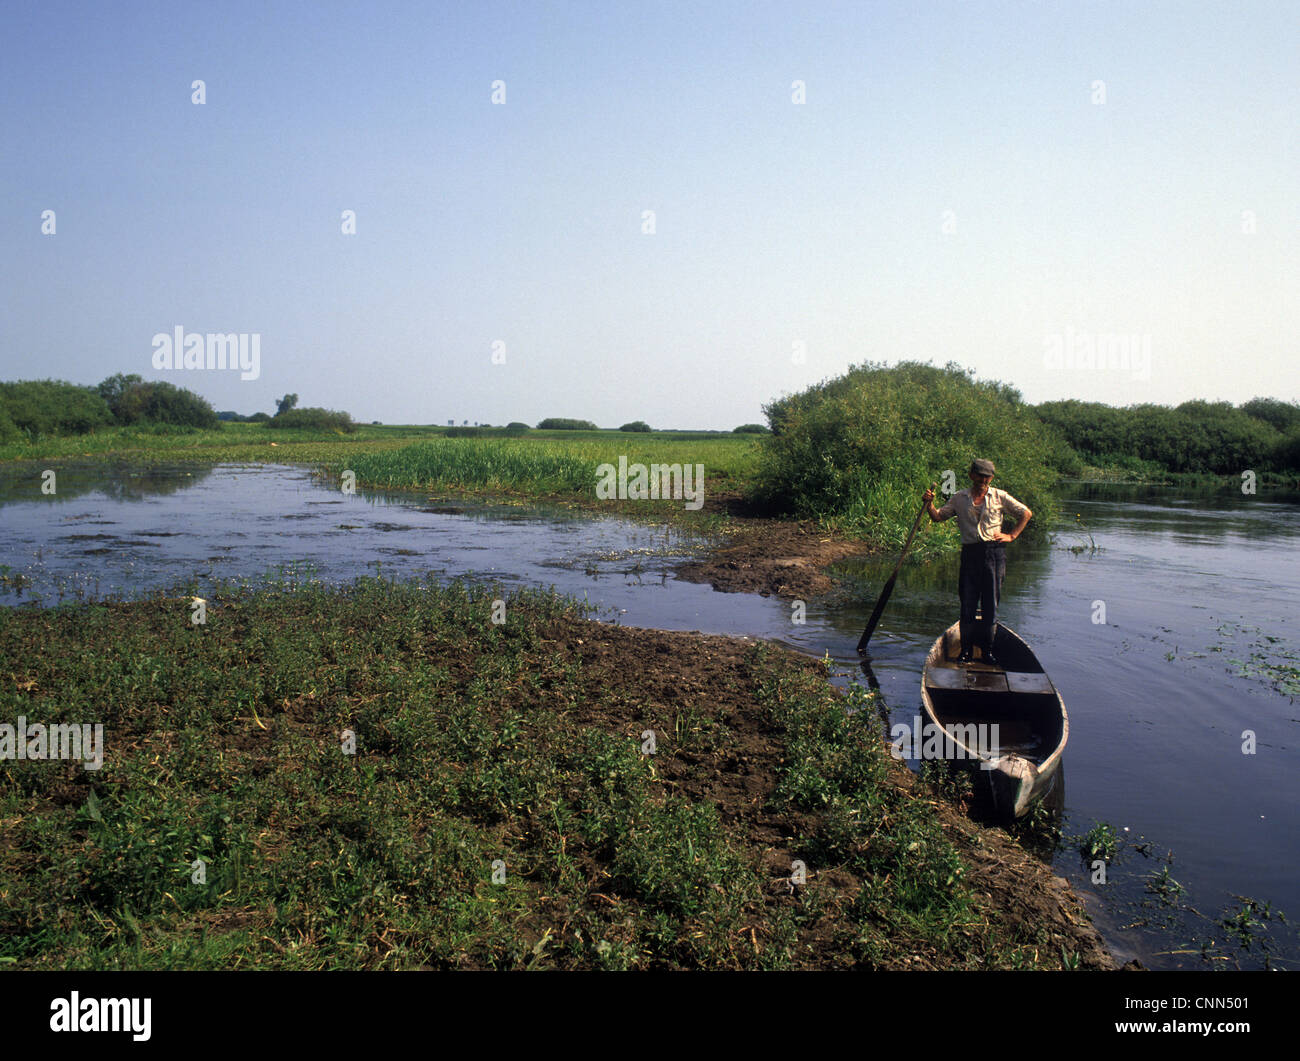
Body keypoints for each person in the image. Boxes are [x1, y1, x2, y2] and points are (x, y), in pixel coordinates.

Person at [922, 459, 1031, 666]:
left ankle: (987, 652)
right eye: (979, 475)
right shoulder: (959, 498)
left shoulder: (1000, 496)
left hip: (994, 554)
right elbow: (937, 517)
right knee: (968, 605)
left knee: (990, 605)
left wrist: (1012, 536)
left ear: (991, 478)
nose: (983, 480)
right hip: (970, 554)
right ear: (972, 475)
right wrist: (929, 504)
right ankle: (965, 652)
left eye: (987, 476)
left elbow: (1025, 513)